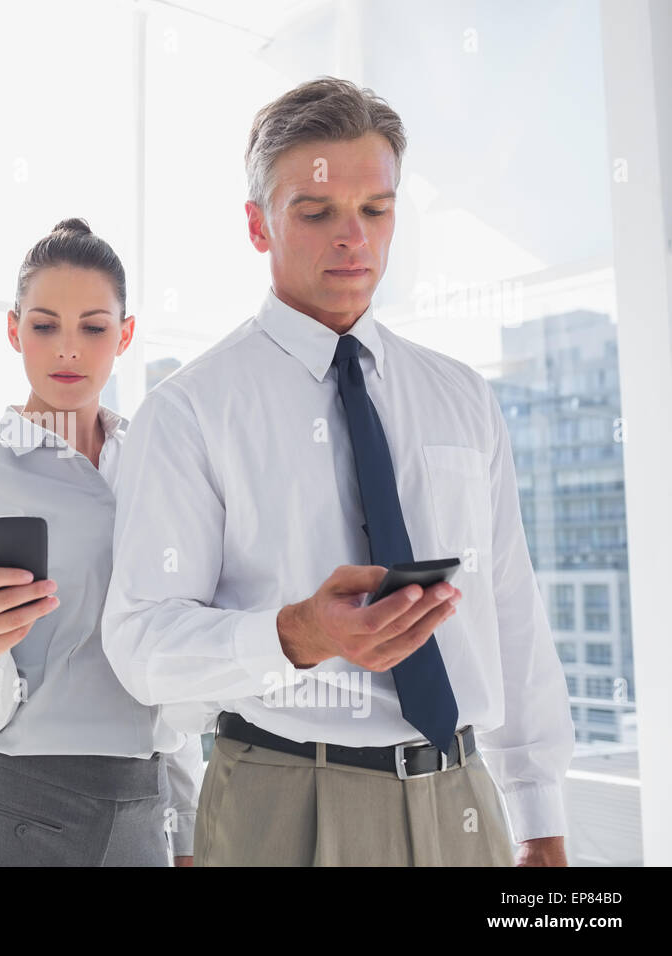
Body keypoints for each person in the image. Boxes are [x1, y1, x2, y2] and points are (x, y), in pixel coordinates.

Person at [102, 77, 574, 867]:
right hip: (284, 808)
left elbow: (513, 611)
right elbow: (140, 640)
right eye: (315, 212)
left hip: (464, 802)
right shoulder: (190, 410)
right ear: (258, 225)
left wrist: (541, 817)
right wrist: (297, 634)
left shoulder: (461, 397)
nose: (351, 238)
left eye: (375, 210)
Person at [0, 219, 203, 867]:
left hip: (140, 807)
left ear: (125, 335)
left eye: (94, 327)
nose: (68, 350)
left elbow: (172, 657)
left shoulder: (158, 471)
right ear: (14, 329)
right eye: (45, 326)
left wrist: (186, 828)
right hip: (8, 805)